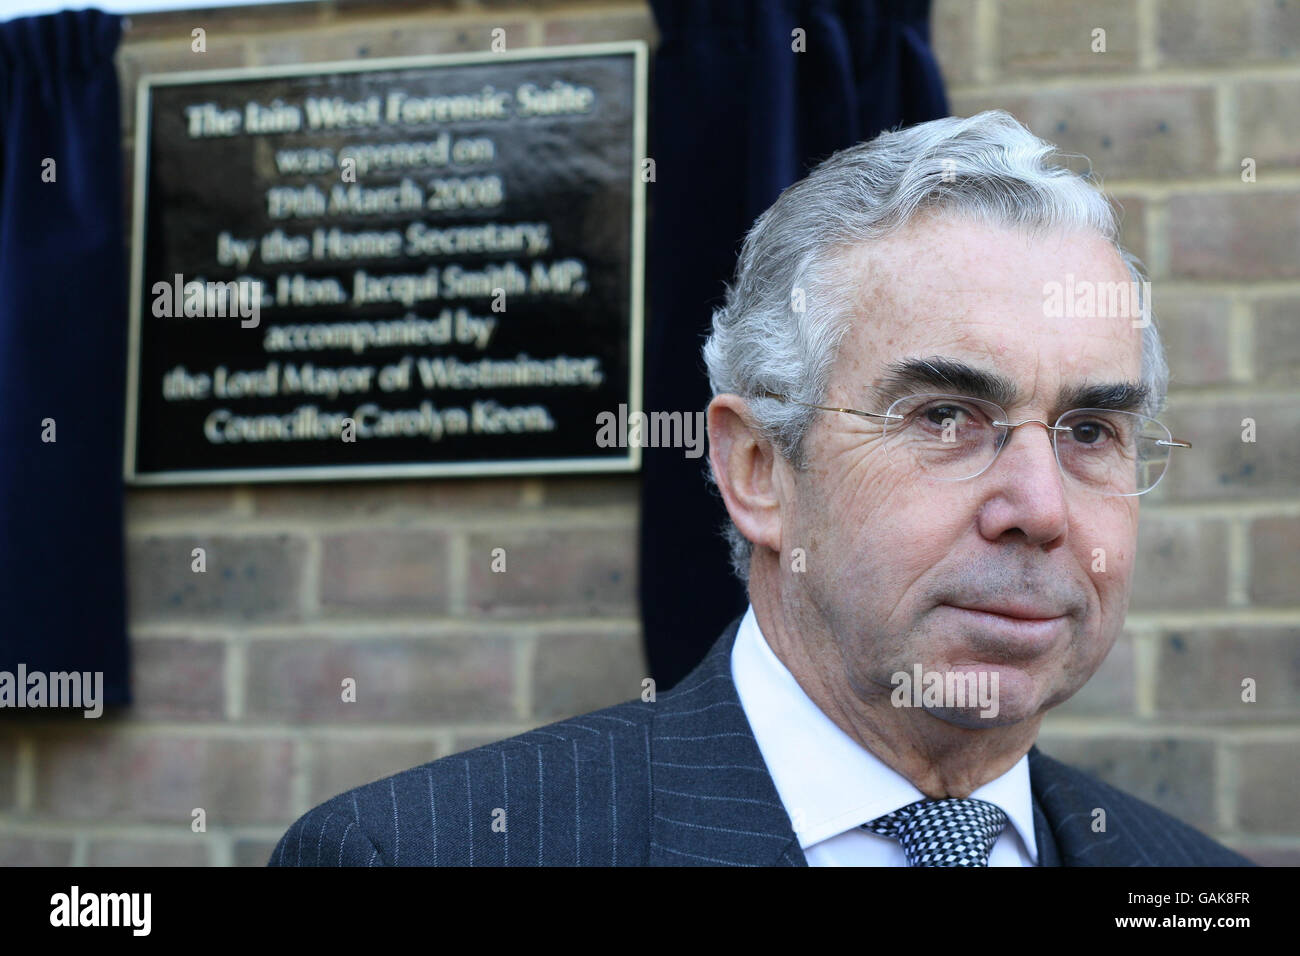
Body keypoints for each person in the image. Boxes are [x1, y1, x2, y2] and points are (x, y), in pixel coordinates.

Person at [269, 110, 1250, 867]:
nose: (1038, 507)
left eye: (1089, 430)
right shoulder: (419, 852)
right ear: (756, 468)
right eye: (944, 416)